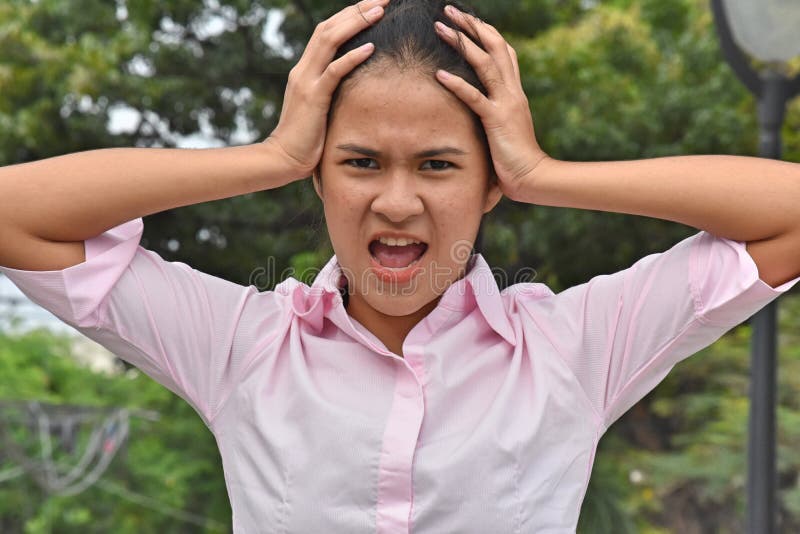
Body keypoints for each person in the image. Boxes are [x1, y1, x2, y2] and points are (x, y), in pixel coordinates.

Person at [1, 0, 798, 531]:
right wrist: (269, 153)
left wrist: (546, 174)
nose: (395, 201)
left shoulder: (573, 348)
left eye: (440, 166)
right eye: (359, 161)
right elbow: (15, 217)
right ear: (318, 175)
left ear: (492, 187)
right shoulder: (241, 345)